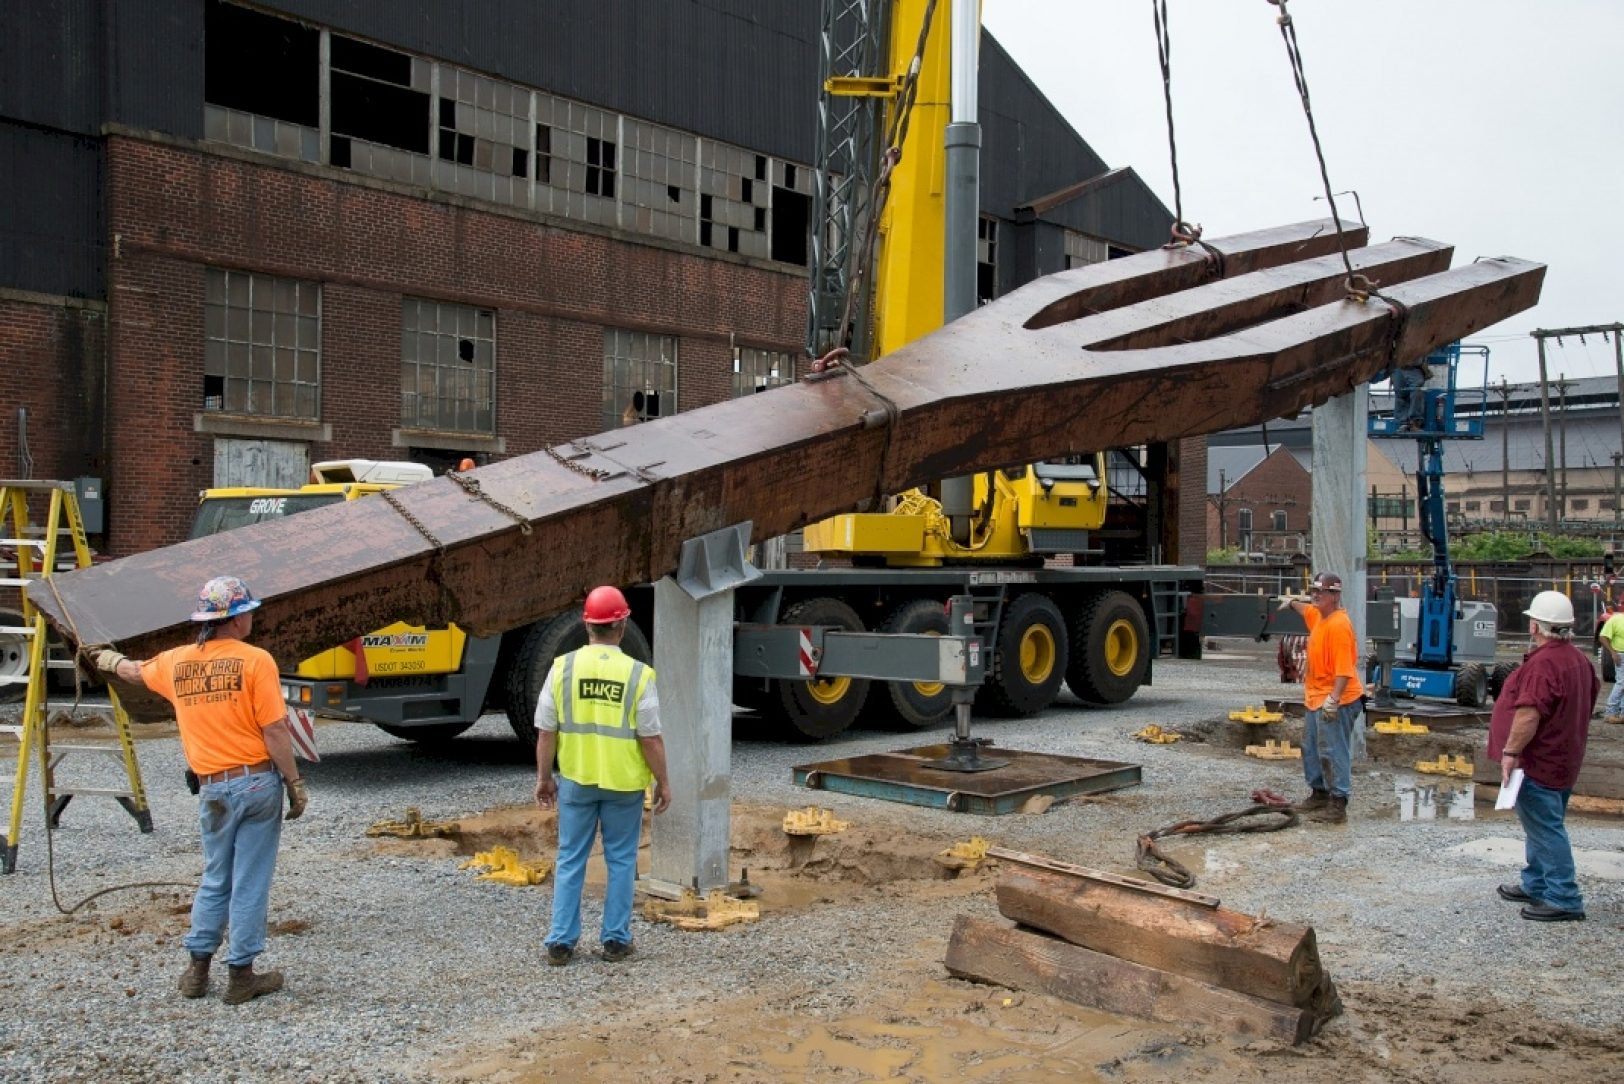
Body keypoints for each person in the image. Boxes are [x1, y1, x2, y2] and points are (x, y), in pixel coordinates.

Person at [92, 575, 307, 1003]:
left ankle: (197, 971)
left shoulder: (176, 662)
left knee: (214, 879)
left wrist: (102, 658)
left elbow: (134, 671)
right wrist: (295, 782)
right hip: (257, 783)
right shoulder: (254, 660)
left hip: (212, 789)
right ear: (237, 618)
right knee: (249, 880)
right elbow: (276, 729)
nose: (252, 618)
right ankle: (242, 977)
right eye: (249, 612)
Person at [534, 585, 671, 966]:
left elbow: (547, 731)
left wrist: (545, 778)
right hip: (624, 784)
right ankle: (615, 940)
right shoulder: (638, 675)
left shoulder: (563, 668)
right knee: (622, 860)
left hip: (577, 779)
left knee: (570, 858)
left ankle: (561, 942)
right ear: (622, 625)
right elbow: (651, 738)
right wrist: (664, 780)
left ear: (587, 625)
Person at [1488, 591, 1598, 921]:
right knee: (1541, 824)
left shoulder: (1543, 664)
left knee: (1546, 828)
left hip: (1538, 763)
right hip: (1563, 759)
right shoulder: (1579, 661)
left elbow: (1528, 714)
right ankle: (1536, 882)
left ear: (1536, 626)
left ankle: (1564, 896)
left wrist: (1511, 752)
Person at [1282, 572, 1365, 823]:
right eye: (1313, 590)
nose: (1315, 595)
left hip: (1338, 699)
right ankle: (1319, 793)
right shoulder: (1319, 616)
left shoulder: (1339, 626)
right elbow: (1307, 610)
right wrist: (1292, 602)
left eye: (1322, 592)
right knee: (1311, 747)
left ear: (1335, 595)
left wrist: (1334, 699)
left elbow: (1344, 670)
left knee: (1332, 749)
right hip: (1316, 697)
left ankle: (1338, 803)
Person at [1597, 599, 1624, 724]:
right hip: (1620, 655)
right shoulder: (1615, 619)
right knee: (1621, 683)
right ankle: (1610, 712)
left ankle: (1621, 713)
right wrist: (1613, 653)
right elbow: (1602, 637)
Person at [1389, 359, 1430, 431]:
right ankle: (1403, 422)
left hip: (1414, 367)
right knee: (1400, 394)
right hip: (1397, 367)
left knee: (1416, 391)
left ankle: (1415, 421)